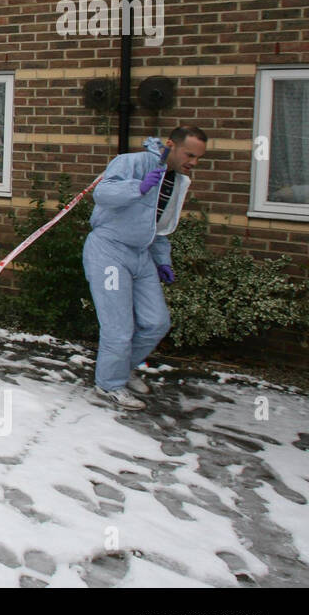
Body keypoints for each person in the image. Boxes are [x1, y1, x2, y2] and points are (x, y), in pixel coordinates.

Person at [82, 125, 208, 409]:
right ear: (170, 145)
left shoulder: (177, 180)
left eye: (198, 158)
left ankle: (122, 369)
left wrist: (163, 261)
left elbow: (158, 226)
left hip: (142, 254)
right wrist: (136, 187)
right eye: (190, 154)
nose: (193, 162)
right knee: (118, 327)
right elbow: (102, 193)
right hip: (108, 251)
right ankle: (108, 386)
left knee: (156, 321)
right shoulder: (133, 162)